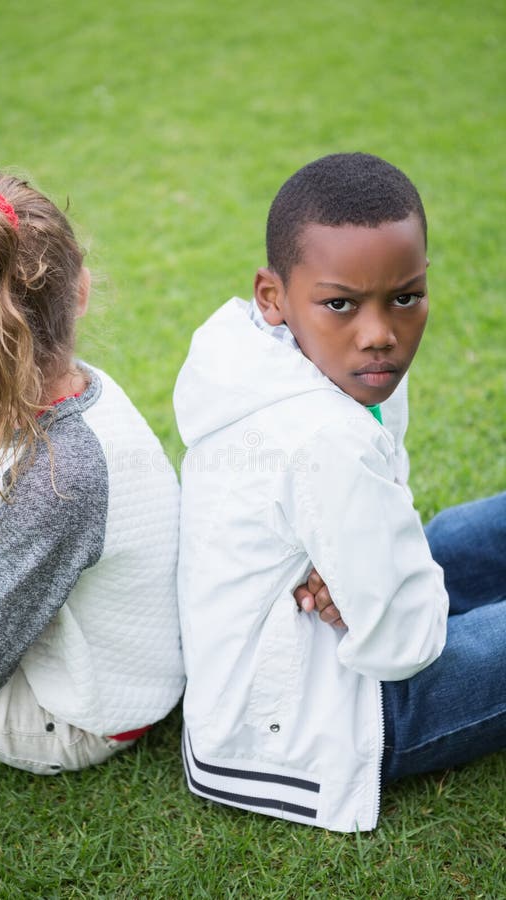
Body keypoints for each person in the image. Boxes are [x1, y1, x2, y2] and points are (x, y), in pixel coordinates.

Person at [173, 153, 504, 833]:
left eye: (404, 297)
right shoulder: (322, 433)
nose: (379, 332)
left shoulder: (301, 351)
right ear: (273, 294)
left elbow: (378, 515)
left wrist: (365, 569)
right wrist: (376, 577)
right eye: (341, 304)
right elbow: (404, 642)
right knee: (439, 578)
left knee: (467, 538)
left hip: (293, 650)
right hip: (305, 727)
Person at [0, 173, 184, 774]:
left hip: (82, 718)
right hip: (88, 658)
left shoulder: (63, 473)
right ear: (80, 290)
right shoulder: (86, 386)